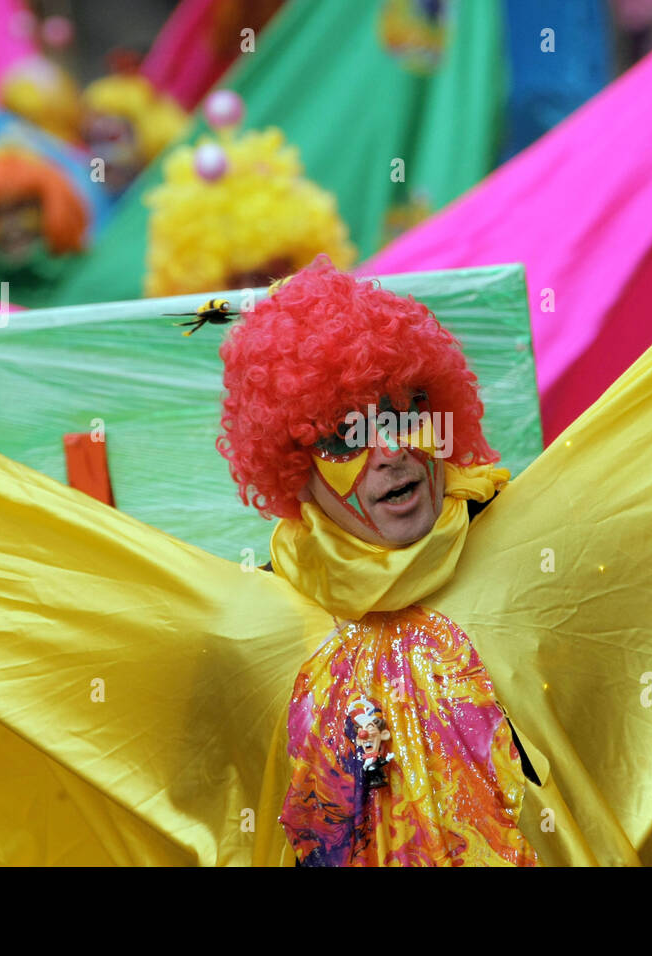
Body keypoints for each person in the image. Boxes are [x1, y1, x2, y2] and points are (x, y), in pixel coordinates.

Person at [217, 255, 539, 866]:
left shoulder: (527, 546)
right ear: (296, 470)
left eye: (402, 413)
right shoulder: (258, 627)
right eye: (346, 435)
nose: (391, 450)